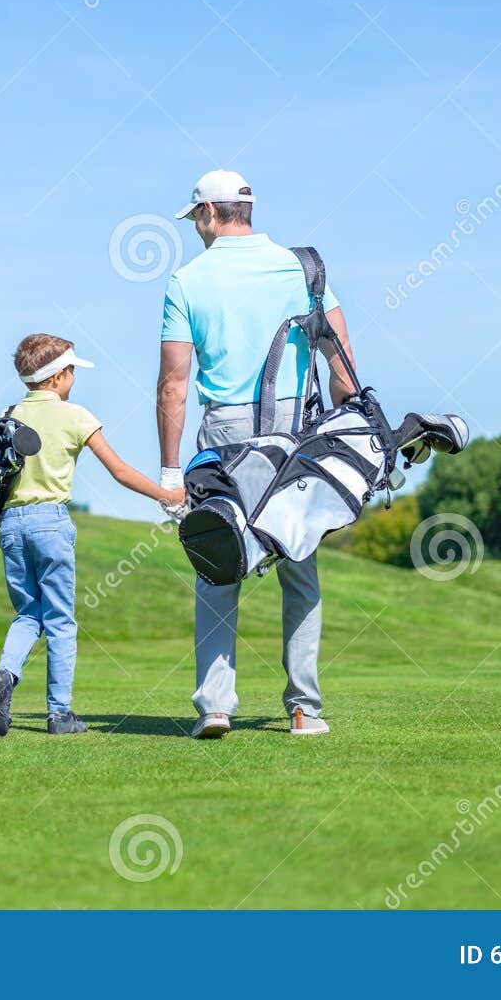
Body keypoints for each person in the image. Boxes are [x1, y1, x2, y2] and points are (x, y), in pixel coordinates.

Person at [155, 169, 359, 740]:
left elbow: (174, 383)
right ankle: (303, 709)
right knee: (300, 564)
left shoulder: (187, 279)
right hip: (294, 430)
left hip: (225, 432)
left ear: (209, 214)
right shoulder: (302, 268)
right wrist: (347, 431)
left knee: (219, 562)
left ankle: (216, 707)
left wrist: (172, 471)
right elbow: (341, 361)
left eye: (196, 217)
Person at [0, 333, 185, 737]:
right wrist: (167, 495)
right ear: (58, 376)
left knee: (28, 614)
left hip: (10, 526)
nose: (74, 377)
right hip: (51, 523)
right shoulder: (76, 416)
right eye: (72, 370)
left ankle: (6, 672)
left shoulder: (8, 414)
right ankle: (59, 714)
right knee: (60, 620)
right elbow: (120, 471)